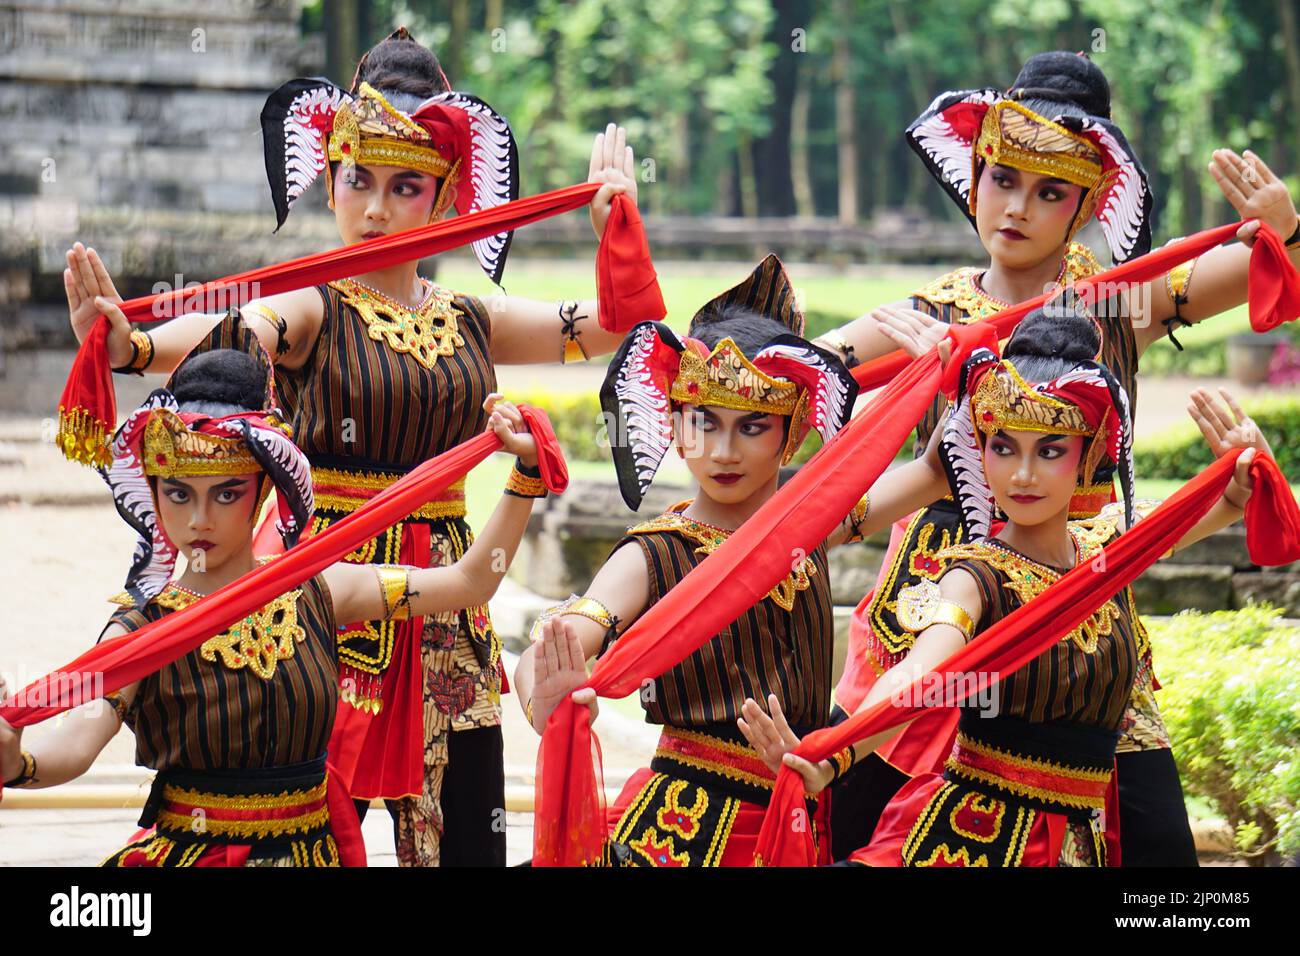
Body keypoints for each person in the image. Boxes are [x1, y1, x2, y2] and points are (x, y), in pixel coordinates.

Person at [62, 27, 646, 866]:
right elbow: (237, 328)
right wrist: (133, 347)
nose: (374, 208)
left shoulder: (471, 319)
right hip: (323, 588)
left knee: (463, 834)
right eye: (355, 180)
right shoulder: (309, 304)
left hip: (449, 594)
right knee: (302, 828)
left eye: (404, 186)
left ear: (444, 199)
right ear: (327, 181)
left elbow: (612, 326)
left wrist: (611, 224)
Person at [814, 50, 1300, 865]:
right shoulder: (927, 315)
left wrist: (1286, 226)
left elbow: (1270, 272)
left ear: (1083, 206)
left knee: (1158, 854)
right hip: (941, 606)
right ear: (973, 180)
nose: (1016, 209)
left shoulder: (1123, 300)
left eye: (1049, 192)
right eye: (1001, 180)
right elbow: (788, 380)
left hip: (1081, 599)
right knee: (855, 824)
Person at [738, 302, 1273, 866]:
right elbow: (921, 674)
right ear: (981, 449)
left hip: (1075, 842)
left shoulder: (1109, 547)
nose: (1021, 474)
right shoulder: (975, 576)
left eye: (1049, 451)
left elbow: (1223, 504)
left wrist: (1244, 467)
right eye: (1003, 447)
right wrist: (833, 756)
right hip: (976, 841)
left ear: (1088, 453)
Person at [0, 337, 549, 866]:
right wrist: (19, 763)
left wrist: (525, 474)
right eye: (178, 493)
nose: (198, 520)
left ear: (264, 487)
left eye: (226, 493)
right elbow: (75, 743)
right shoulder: (142, 631)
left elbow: (471, 582)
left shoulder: (317, 590)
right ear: (153, 489)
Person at [515, 256, 958, 866]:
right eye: (703, 423)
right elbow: (559, 646)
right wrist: (547, 692)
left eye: (751, 427)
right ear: (675, 424)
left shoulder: (810, 527)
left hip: (793, 812)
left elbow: (936, 473)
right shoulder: (657, 551)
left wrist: (949, 363)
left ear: (793, 428)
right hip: (680, 831)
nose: (723, 451)